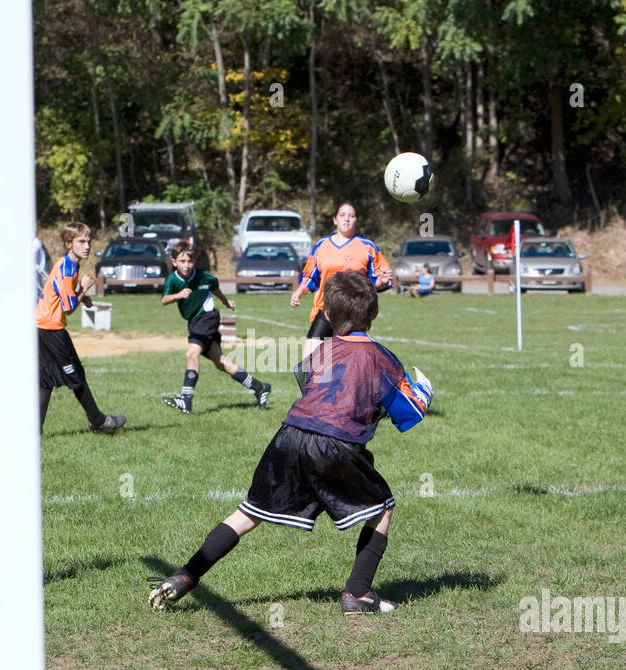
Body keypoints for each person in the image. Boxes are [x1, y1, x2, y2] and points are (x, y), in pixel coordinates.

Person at [149, 271, 434, 614]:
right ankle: (357, 594)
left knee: (248, 513)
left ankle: (184, 576)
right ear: (373, 314)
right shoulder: (380, 356)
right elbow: (409, 413)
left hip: (291, 433)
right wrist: (425, 393)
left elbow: (309, 382)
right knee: (382, 506)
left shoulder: (323, 350)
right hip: (335, 443)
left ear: (327, 315)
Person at [160, 242, 272, 414]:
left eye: (189, 261)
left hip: (208, 317)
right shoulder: (172, 279)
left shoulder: (203, 276)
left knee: (191, 354)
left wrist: (226, 302)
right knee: (221, 363)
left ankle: (185, 399)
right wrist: (178, 295)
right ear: (174, 262)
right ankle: (260, 387)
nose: (186, 265)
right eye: (182, 261)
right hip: (194, 321)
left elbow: (215, 288)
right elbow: (164, 299)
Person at [37, 222, 125, 434]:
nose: (87, 246)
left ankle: (34, 431)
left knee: (46, 380)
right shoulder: (67, 269)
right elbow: (68, 308)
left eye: (88, 241)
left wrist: (80, 296)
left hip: (40, 327)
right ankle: (97, 419)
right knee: (75, 374)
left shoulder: (67, 264)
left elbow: (61, 296)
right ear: (69, 244)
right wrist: (83, 288)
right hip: (52, 330)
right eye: (81, 242)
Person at [290, 201, 394, 356]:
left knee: (349, 362)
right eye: (343, 215)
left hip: (354, 313)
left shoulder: (367, 247)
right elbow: (310, 277)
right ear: (335, 219)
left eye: (351, 216)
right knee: (310, 359)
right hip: (327, 310)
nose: (347, 219)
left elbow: (374, 282)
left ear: (356, 220)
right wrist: (298, 292)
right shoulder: (322, 245)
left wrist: (383, 281)